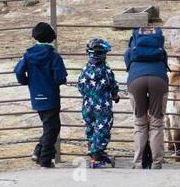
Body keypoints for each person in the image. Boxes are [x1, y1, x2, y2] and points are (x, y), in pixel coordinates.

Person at [14, 22, 67, 168]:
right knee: (53, 128)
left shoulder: (27, 55)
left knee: (49, 127)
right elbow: (59, 78)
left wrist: (25, 81)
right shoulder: (54, 57)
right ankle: (44, 159)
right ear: (52, 37)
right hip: (51, 97)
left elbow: (18, 71)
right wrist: (61, 80)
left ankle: (39, 152)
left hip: (36, 96)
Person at [124, 26, 169, 169]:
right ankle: (156, 164)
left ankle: (138, 163)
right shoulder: (160, 50)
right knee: (157, 124)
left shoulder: (131, 50)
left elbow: (128, 66)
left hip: (136, 81)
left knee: (140, 124)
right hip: (159, 81)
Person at [77, 38, 120, 168]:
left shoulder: (85, 70)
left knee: (90, 128)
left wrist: (88, 95)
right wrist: (115, 96)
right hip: (102, 106)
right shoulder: (106, 71)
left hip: (87, 106)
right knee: (103, 129)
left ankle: (95, 152)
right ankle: (97, 157)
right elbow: (113, 86)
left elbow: (80, 86)